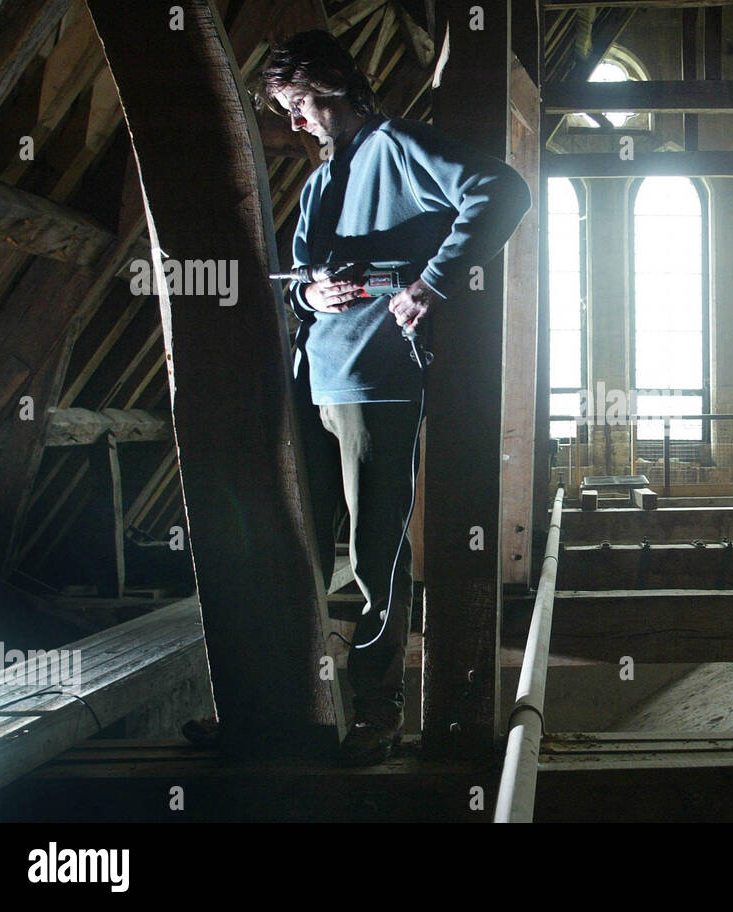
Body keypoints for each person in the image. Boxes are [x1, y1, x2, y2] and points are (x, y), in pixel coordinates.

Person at [259, 31, 530, 766]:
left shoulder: (400, 147)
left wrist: (430, 283)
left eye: (298, 103)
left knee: (375, 554)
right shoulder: (320, 181)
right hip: (313, 378)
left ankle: (376, 713)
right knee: (298, 551)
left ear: (332, 85)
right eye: (284, 109)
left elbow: (503, 190)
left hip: (377, 382)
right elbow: (301, 281)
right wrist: (312, 292)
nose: (293, 122)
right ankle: (284, 714)